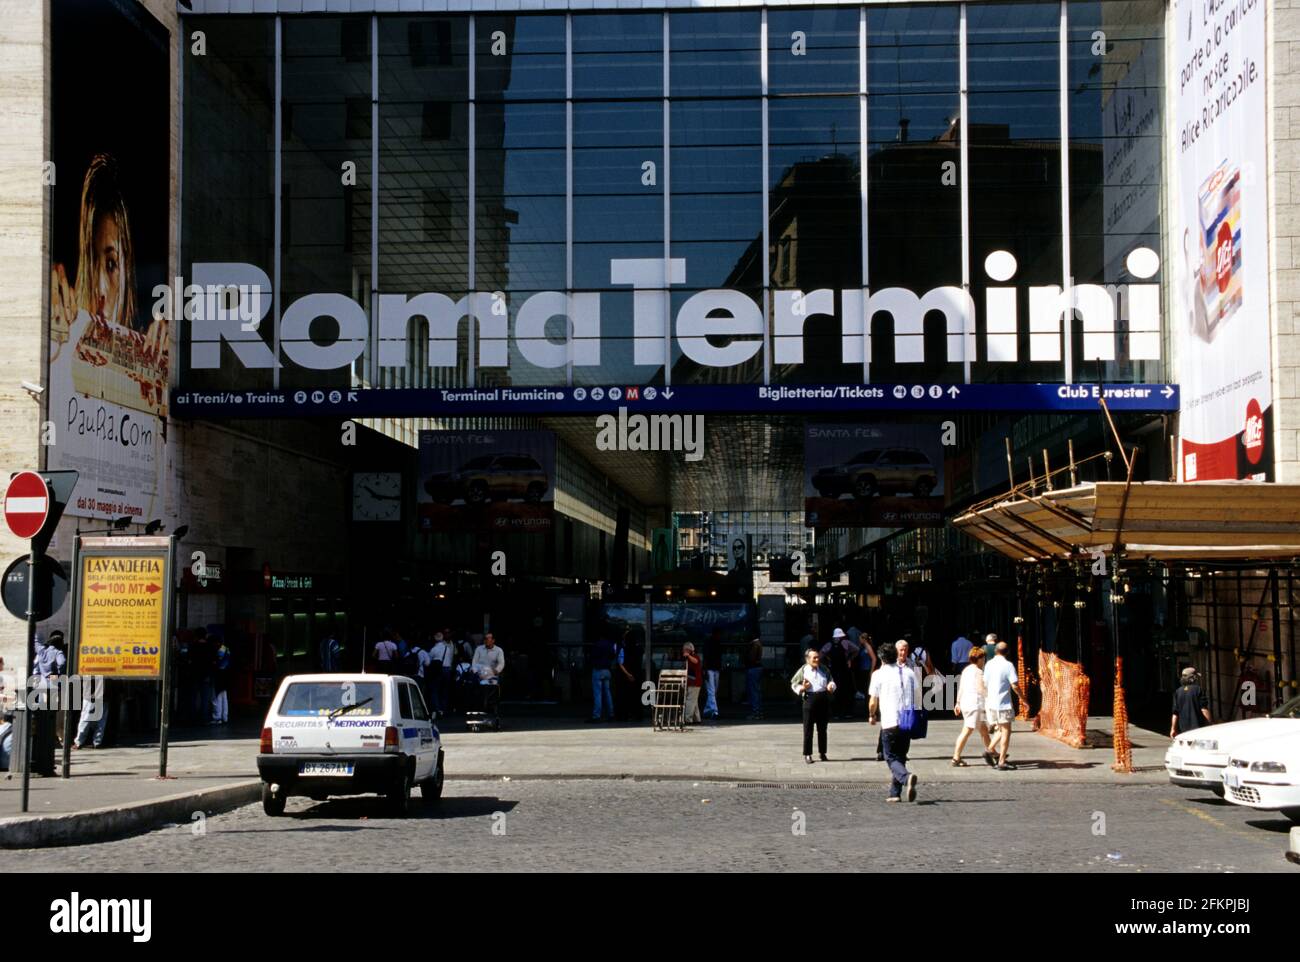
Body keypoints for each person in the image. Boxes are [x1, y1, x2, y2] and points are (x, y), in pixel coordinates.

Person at [869, 640, 920, 803]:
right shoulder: (909, 673)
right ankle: (894, 793)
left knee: (889, 756)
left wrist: (872, 714)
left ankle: (906, 778)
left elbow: (872, 701)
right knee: (901, 756)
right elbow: (918, 696)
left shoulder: (878, 674)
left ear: (882, 659)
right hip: (906, 721)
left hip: (890, 721)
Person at [790, 648, 836, 763]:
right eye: (814, 657)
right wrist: (802, 688)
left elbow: (832, 681)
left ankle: (822, 753)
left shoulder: (824, 669)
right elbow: (794, 683)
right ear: (807, 659)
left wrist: (831, 686)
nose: (817, 659)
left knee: (822, 729)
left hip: (823, 698)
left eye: (818, 657)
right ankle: (808, 754)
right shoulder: (803, 670)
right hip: (809, 699)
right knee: (808, 729)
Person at [983, 638, 1023, 770]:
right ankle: (1001, 761)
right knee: (1006, 731)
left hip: (992, 703)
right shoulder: (1008, 665)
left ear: (995, 651)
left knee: (1000, 729)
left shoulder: (988, 664)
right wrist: (1023, 699)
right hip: (1004, 703)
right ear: (1007, 652)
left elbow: (985, 683)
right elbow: (1015, 685)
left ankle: (989, 749)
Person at [952, 646, 994, 766]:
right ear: (980, 659)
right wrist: (990, 700)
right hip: (974, 705)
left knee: (984, 730)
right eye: (983, 658)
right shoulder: (979, 672)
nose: (984, 661)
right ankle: (956, 757)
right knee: (967, 730)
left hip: (966, 703)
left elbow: (961, 688)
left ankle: (992, 751)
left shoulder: (966, 670)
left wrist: (958, 702)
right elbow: (981, 690)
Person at [1171, 667, 1212, 738]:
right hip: (1197, 728)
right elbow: (1204, 709)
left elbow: (1175, 713)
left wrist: (1173, 729)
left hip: (1183, 729)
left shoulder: (1178, 692)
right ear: (1193, 678)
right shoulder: (1198, 689)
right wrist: (1210, 724)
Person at [472, 632, 505, 717]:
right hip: (480, 674)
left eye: (488, 639)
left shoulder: (498, 650)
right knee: (476, 687)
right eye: (485, 639)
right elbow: (474, 662)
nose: (486, 640)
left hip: (492, 673)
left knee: (494, 689)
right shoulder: (479, 649)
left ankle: (493, 706)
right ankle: (479, 706)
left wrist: (496, 671)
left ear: (493, 640)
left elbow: (501, 663)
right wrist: (476, 672)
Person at [588, 633, 618, 723]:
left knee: (598, 694)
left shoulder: (597, 644)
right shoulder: (610, 644)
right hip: (607, 670)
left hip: (598, 670)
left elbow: (592, 657)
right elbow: (613, 655)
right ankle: (611, 714)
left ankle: (597, 716)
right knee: (607, 693)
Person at [74, 676, 108, 750]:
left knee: (85, 719)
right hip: (102, 695)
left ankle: (79, 742)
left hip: (90, 694)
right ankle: (97, 742)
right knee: (100, 721)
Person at [614, 630, 640, 723]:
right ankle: (636, 714)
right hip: (636, 675)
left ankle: (624, 715)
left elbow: (620, 663)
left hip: (625, 677)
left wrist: (628, 674)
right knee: (635, 696)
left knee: (624, 696)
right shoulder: (638, 649)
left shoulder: (623, 649)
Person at [702, 629, 723, 719]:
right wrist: (705, 669)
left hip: (714, 668)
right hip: (711, 668)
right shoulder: (710, 643)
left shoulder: (716, 643)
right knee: (712, 690)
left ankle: (707, 710)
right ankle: (714, 710)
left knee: (713, 691)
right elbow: (706, 657)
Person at [211, 635, 231, 724]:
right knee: (224, 697)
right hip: (226, 674)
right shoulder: (227, 649)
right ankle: (225, 716)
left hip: (219, 674)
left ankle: (217, 717)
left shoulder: (220, 650)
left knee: (217, 696)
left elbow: (217, 663)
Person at [682, 642, 703, 725]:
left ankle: (688, 718)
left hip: (694, 683)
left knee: (690, 701)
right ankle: (697, 718)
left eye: (684, 649)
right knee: (694, 701)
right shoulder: (688, 658)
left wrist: (688, 656)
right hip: (692, 682)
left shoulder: (694, 656)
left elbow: (696, 661)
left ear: (688, 650)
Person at [745, 636, 764, 720]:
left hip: (753, 668)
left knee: (754, 691)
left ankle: (756, 712)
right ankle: (758, 711)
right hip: (757, 668)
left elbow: (751, 658)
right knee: (757, 690)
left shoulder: (754, 644)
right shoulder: (758, 643)